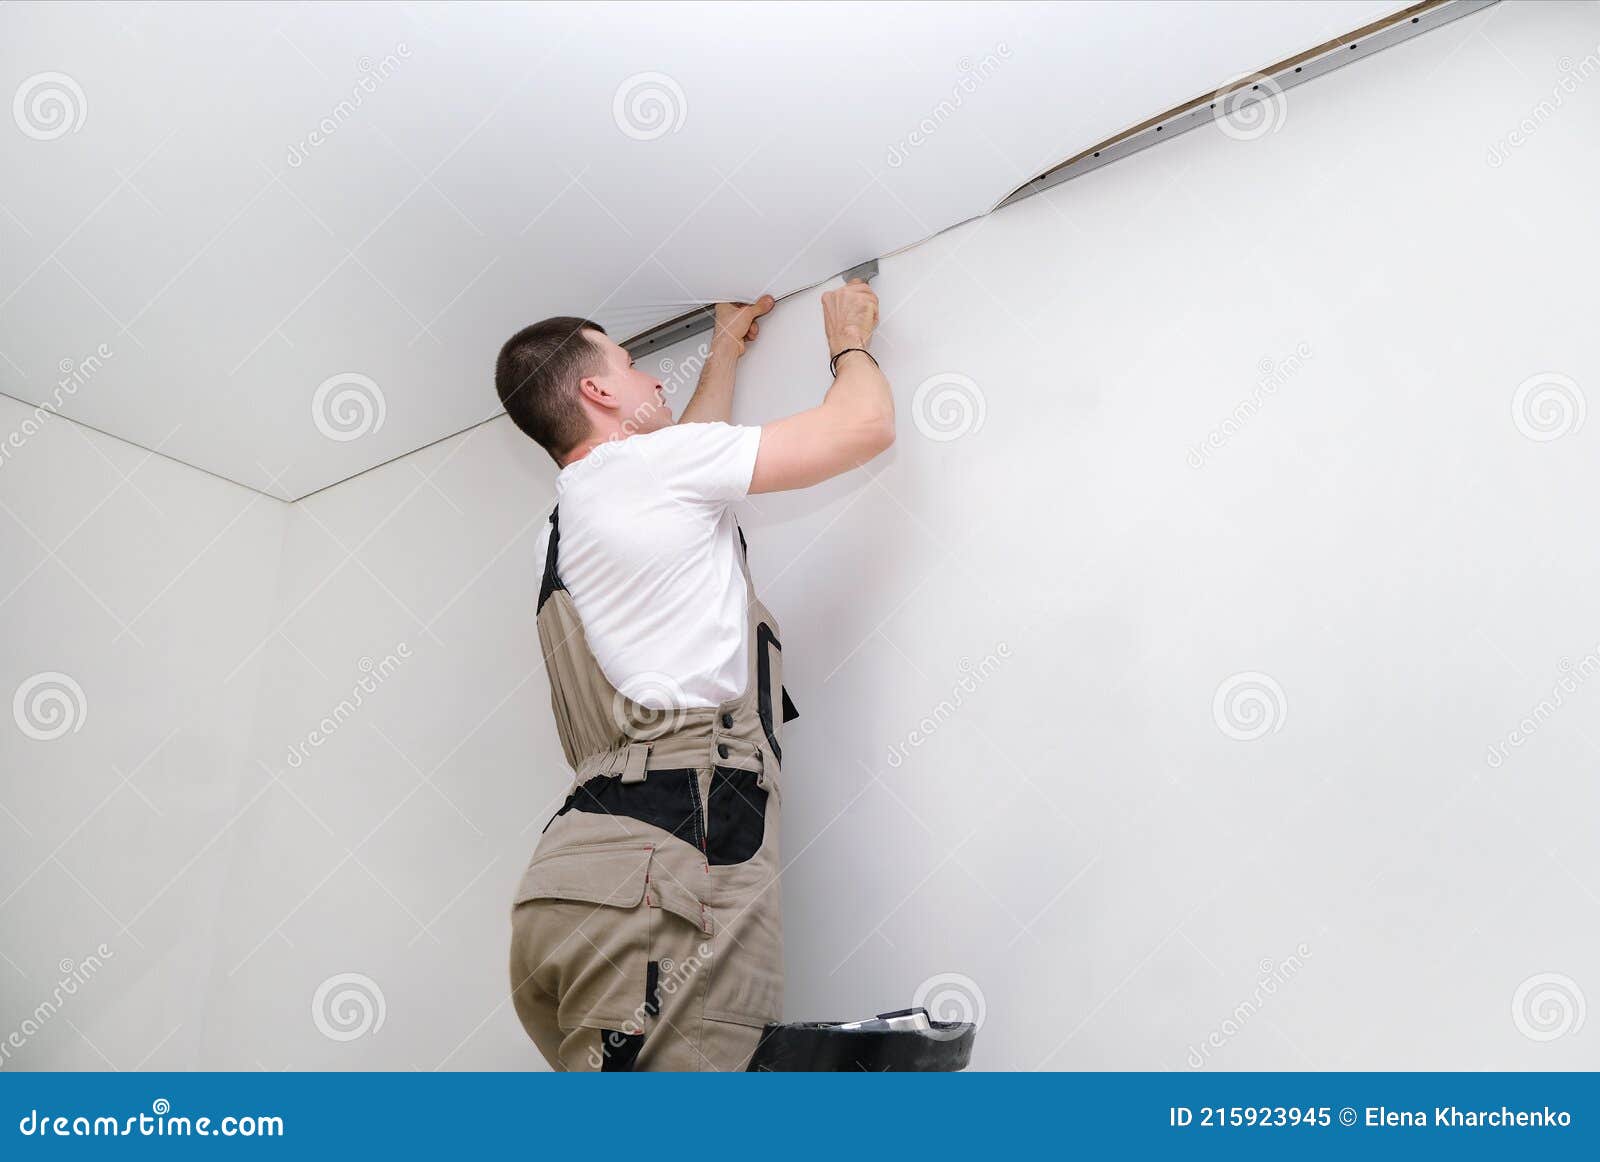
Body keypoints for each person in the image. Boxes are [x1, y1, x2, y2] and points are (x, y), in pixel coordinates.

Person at [495, 279, 894, 1070]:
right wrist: (849, 341)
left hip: (575, 884)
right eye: (636, 366)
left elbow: (686, 459)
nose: (654, 382)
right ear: (598, 389)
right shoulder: (650, 473)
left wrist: (723, 349)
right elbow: (865, 425)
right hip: (671, 853)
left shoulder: (577, 515)